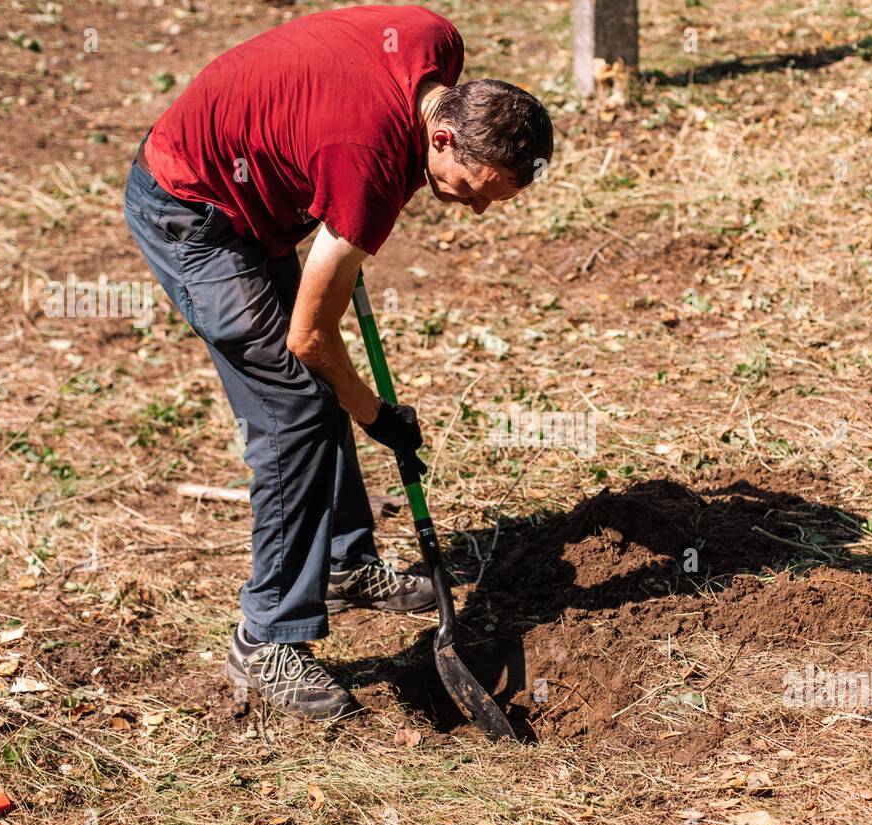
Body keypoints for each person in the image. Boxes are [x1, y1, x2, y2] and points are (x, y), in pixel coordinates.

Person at [122, 4, 553, 719]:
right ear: (442, 135)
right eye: (473, 191)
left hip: (259, 190)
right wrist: (378, 415)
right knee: (297, 407)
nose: (475, 211)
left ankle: (346, 565)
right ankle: (265, 641)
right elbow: (310, 341)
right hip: (192, 209)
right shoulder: (368, 169)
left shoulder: (434, 42)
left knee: (319, 396)